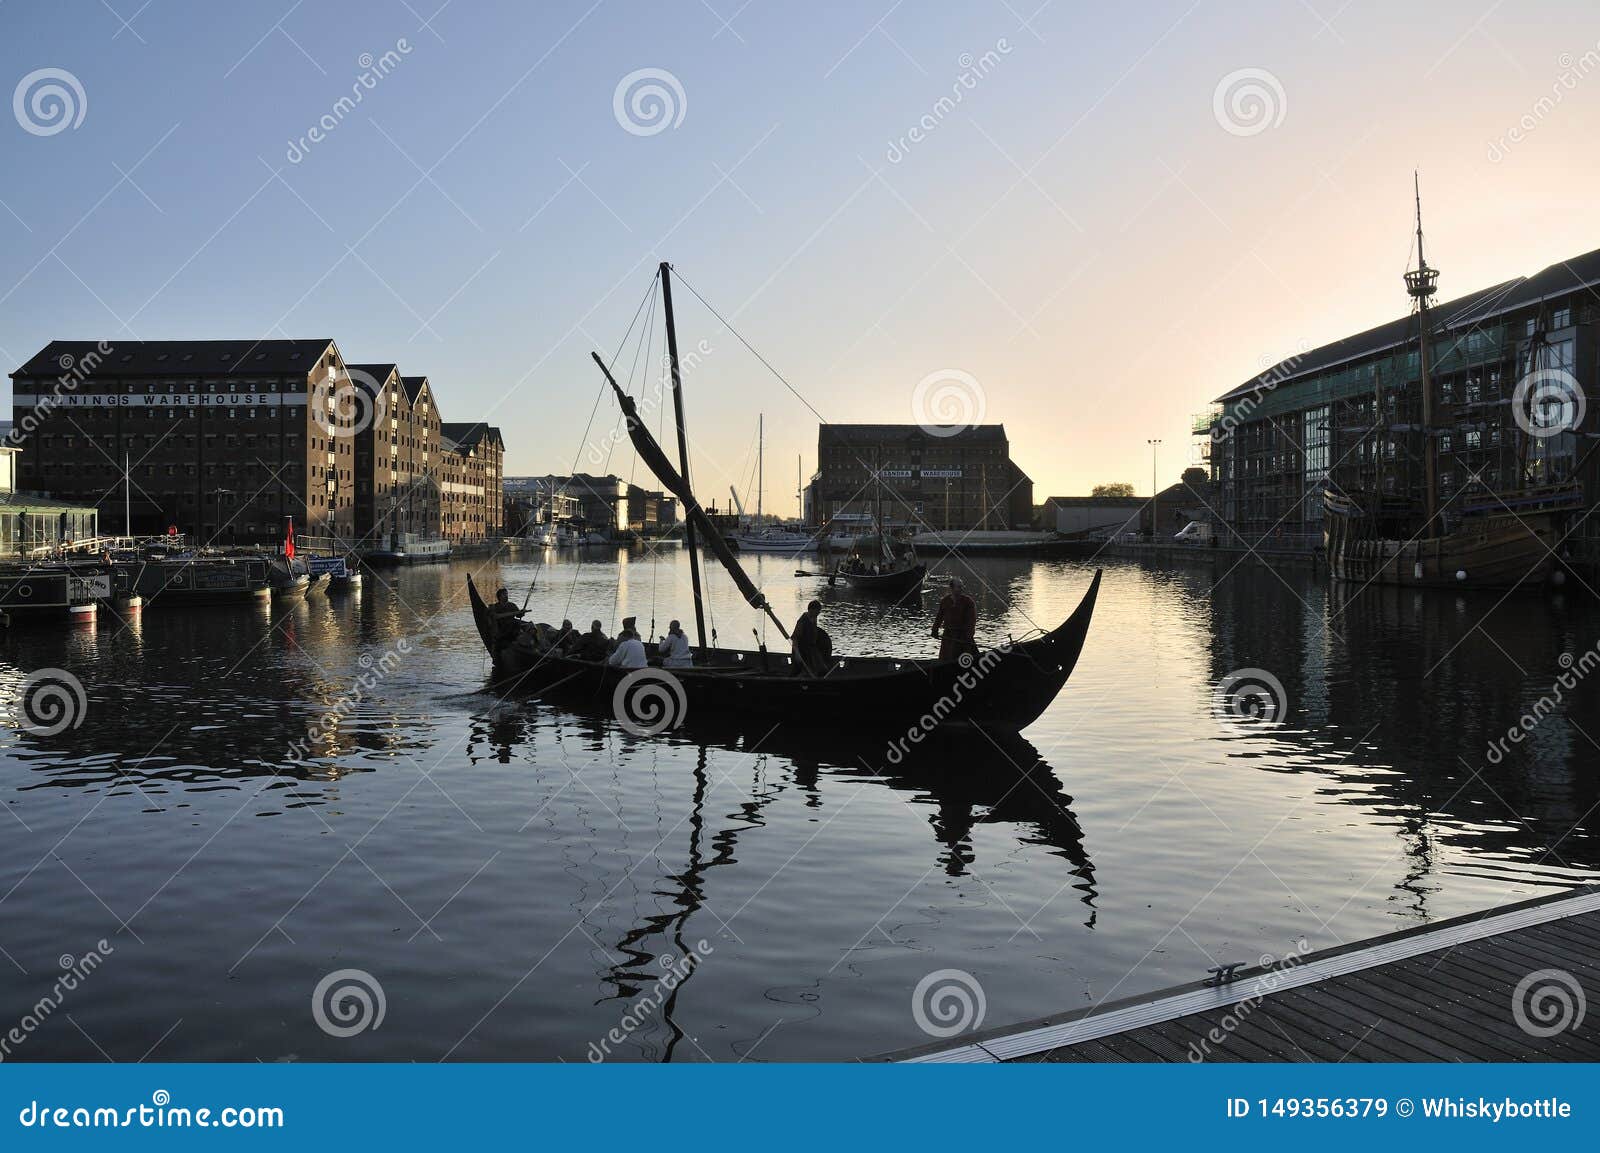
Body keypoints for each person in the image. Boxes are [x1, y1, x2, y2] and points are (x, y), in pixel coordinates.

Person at [932, 577, 978, 661]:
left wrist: (969, 635)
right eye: (959, 587)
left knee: (966, 658)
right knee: (946, 659)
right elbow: (939, 617)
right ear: (952, 588)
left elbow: (972, 621)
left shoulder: (968, 602)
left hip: (963, 636)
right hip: (948, 635)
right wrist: (934, 630)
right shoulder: (945, 601)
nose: (961, 589)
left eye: (962, 586)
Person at [791, 600, 828, 677]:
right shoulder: (802, 621)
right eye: (817, 611)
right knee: (798, 670)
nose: (818, 613)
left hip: (812, 649)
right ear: (811, 610)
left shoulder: (814, 618)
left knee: (822, 669)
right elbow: (795, 638)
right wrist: (797, 654)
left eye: (819, 611)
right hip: (801, 650)